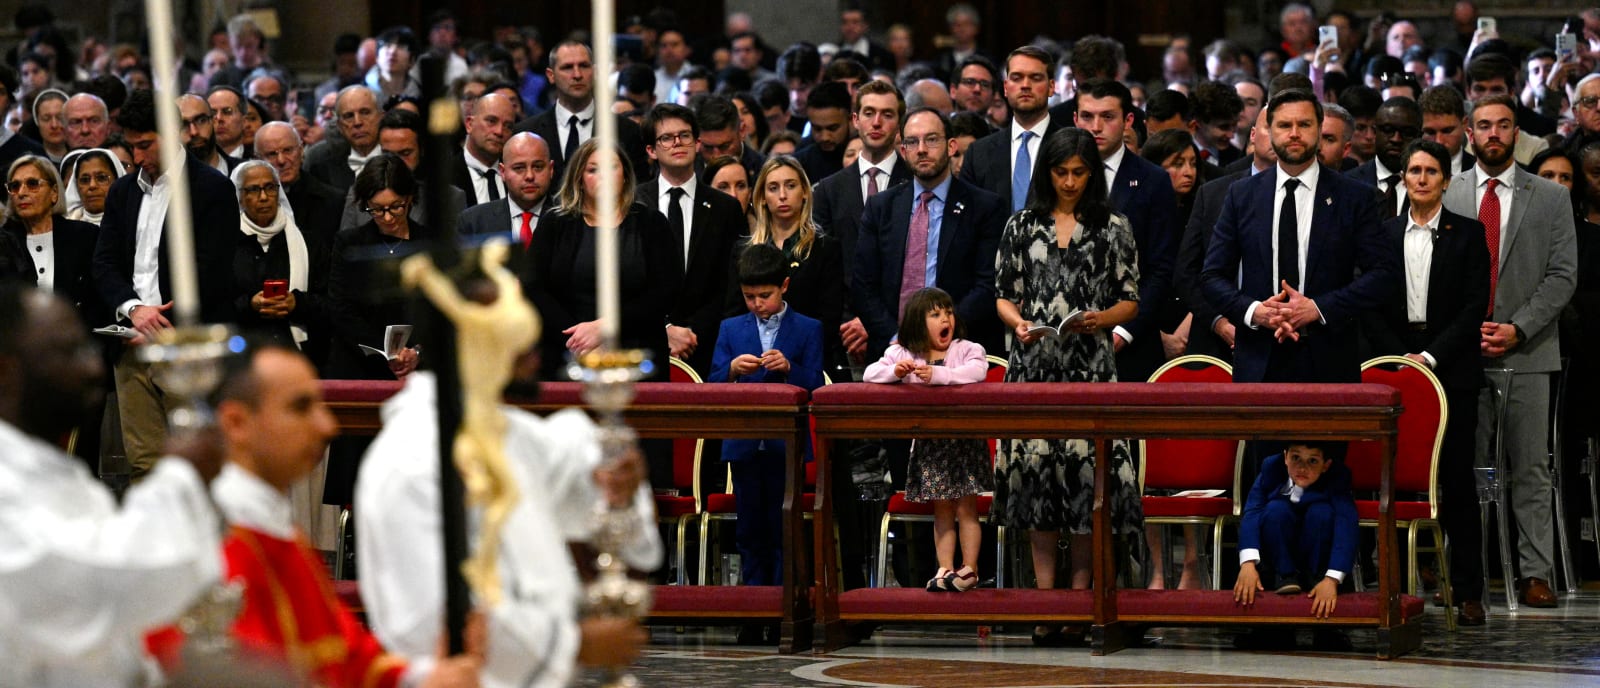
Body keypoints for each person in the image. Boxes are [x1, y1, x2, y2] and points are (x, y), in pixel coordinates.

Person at [146, 342, 481, 687]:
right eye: (300, 407)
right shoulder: (209, 543)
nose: (327, 427)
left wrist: (424, 678)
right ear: (236, 422)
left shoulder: (279, 530)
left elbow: (345, 654)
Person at [357, 316, 660, 687]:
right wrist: (575, 645)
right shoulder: (412, 458)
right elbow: (432, 618)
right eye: (519, 342)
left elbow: (580, 469)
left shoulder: (511, 432)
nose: (535, 357)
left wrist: (619, 487)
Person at [0, 284, 221, 687]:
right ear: (7, 371)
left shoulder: (63, 476)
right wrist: (181, 476)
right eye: (68, 352)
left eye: (87, 350)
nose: (93, 369)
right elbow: (111, 589)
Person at [993, 128, 1143, 646]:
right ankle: (1044, 599)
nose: (1072, 182)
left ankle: (1080, 601)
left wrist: (1101, 318)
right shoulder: (1021, 225)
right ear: (1046, 174)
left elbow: (1130, 299)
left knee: (1085, 483)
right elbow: (1004, 295)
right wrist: (1017, 324)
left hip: (1089, 368)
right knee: (1036, 481)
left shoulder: (1113, 226)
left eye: (1080, 173)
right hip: (1032, 367)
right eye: (1062, 173)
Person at [1442, 94, 1577, 609]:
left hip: (1530, 348)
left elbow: (1563, 274)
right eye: (1483, 126)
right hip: (1462, 352)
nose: (1493, 134)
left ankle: (1534, 572)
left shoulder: (1550, 197)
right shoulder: (1449, 192)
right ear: (1468, 133)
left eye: (1502, 125)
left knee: (1530, 469)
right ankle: (1466, 576)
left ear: (1516, 133)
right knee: (1460, 469)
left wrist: (1518, 328)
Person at [1360, 139, 1489, 625]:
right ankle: (1391, 586)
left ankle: (1469, 589)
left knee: (1456, 480)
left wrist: (1430, 356)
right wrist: (1397, 359)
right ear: (1403, 178)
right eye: (1413, 170)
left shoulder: (1469, 234)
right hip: (1391, 367)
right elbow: (1368, 299)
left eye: (1430, 171)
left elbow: (1474, 305)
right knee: (1390, 477)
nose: (1421, 178)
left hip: (1450, 367)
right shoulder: (1382, 234)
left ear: (1445, 180)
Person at [1200, 89, 1395, 384]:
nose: (1294, 134)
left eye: (1304, 125)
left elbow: (1382, 274)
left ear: (1318, 130)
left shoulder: (1354, 197)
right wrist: (1256, 312)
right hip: (1258, 359)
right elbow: (1212, 276)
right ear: (1267, 131)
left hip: (1330, 358)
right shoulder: (1242, 195)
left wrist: (1317, 308)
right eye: (1283, 125)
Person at [92, 89, 239, 478]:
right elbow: (104, 263)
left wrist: (162, 327)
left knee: (200, 463)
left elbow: (215, 271)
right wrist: (135, 310)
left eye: (145, 145)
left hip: (188, 347)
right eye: (132, 147)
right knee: (144, 467)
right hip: (131, 346)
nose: (137, 158)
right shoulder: (123, 192)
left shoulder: (212, 188)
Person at [710, 243, 824, 596]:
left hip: (784, 445)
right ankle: (753, 603)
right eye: (749, 297)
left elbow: (816, 386)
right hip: (744, 443)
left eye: (764, 295)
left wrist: (791, 368)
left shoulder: (808, 328)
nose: (757, 304)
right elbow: (712, 383)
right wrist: (730, 369)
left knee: (782, 525)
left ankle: (783, 600)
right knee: (749, 528)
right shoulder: (730, 328)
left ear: (784, 286)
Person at [863, 286, 990, 592]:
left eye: (948, 312)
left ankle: (970, 568)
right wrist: (895, 371)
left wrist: (938, 376)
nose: (945, 318)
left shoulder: (965, 349)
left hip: (963, 442)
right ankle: (945, 567)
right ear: (918, 322)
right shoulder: (904, 352)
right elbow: (869, 374)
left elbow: (977, 372)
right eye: (935, 314)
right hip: (929, 443)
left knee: (966, 507)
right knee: (942, 508)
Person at [638, 104, 743, 377]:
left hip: (708, 346)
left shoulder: (725, 208)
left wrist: (694, 332)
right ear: (651, 150)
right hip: (643, 344)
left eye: (684, 136)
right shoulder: (633, 203)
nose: (677, 143)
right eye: (666, 138)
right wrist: (663, 330)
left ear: (697, 144)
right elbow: (628, 280)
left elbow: (730, 284)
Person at [813, 80, 913, 368]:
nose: (877, 122)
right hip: (844, 333)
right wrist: (850, 324)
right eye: (869, 113)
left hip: (902, 330)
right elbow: (826, 271)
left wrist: (877, 323)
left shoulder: (916, 183)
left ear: (899, 124)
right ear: (855, 120)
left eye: (888, 114)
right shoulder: (828, 190)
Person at [728, 156, 844, 373]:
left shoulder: (826, 248)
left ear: (805, 193)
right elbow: (733, 315)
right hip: (754, 362)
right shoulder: (743, 250)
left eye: (790, 186)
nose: (782, 195)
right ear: (762, 197)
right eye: (773, 188)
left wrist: (788, 359)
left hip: (808, 362)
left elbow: (828, 319)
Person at [1234, 441, 1357, 621]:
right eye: (1296, 458)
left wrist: (1332, 579)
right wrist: (1247, 564)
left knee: (1321, 512)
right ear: (1285, 457)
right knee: (1275, 510)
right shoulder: (1271, 468)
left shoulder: (1337, 475)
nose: (1302, 467)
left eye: (1312, 461)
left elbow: (1346, 524)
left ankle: (1316, 579)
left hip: (1318, 550)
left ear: (1326, 465)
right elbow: (1252, 511)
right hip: (1279, 550)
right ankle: (1285, 576)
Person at [227, 160, 330, 360]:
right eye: (253, 190)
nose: (264, 197)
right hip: (242, 357)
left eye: (270, 188)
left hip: (299, 355)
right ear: (239, 197)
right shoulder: (226, 245)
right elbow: (214, 307)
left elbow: (331, 303)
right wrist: (249, 305)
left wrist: (297, 304)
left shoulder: (308, 242)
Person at [512, 41, 648, 189]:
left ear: (595, 72)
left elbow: (638, 191)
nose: (577, 75)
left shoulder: (627, 131)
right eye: (567, 67)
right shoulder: (527, 133)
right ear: (551, 75)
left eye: (583, 66)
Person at [959, 46, 1067, 214]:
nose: (1025, 85)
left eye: (1035, 78)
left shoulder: (1071, 148)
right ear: (1006, 87)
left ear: (1051, 87)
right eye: (1017, 78)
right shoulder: (978, 153)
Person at [5, 154, 102, 326]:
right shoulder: (4, 243)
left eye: (32, 184)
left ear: (54, 193)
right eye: (15, 186)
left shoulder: (85, 237)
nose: (21, 193)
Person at [253, 122, 344, 254]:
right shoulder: (247, 205)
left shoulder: (332, 201)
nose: (281, 160)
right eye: (272, 154)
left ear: (301, 151)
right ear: (258, 159)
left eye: (288, 150)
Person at [459, 131, 555, 245]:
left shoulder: (571, 218)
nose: (530, 176)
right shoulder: (473, 222)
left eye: (538, 167)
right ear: (502, 172)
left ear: (551, 169)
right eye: (519, 168)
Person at [1348, 96, 1424, 217]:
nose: (1396, 139)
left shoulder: (1430, 186)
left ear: (1420, 136)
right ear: (1375, 132)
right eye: (1388, 130)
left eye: (1407, 133)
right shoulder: (1349, 182)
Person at [304, 85, 383, 194]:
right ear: (339, 125)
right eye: (349, 116)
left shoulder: (399, 151)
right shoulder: (318, 159)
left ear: (381, 116)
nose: (357, 122)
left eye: (365, 112)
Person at [451, 92, 514, 207]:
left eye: (508, 126)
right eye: (491, 121)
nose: (499, 131)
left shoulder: (516, 175)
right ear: (469, 124)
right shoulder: (445, 178)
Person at [61, 147, 125, 225]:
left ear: (118, 180)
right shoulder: (64, 226)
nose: (92, 185)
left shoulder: (133, 221)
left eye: (101, 178)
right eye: (84, 180)